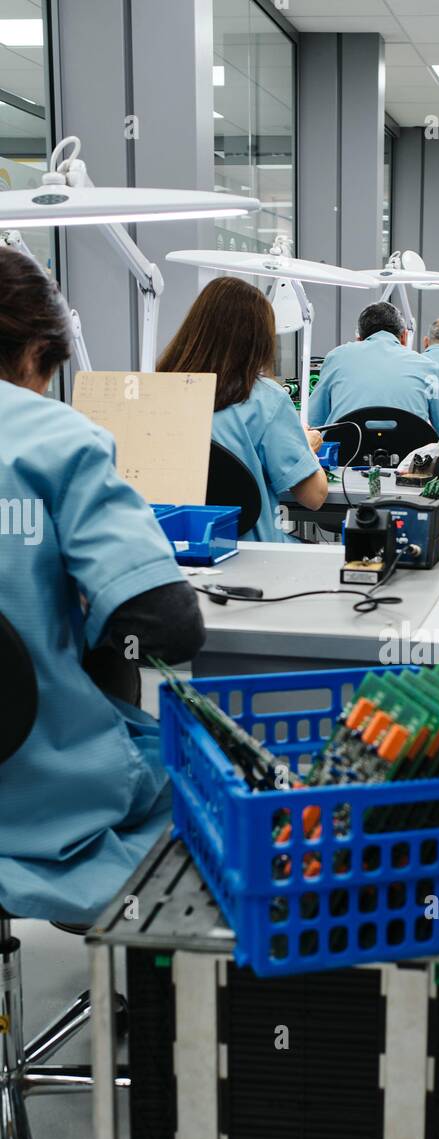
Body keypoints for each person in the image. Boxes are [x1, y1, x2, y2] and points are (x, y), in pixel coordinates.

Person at [0, 246, 205, 924]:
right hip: (38, 806)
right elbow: (170, 627)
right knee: (208, 784)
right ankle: (156, 1013)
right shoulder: (53, 437)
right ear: (35, 351)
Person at [157, 277, 328, 541]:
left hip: (175, 551)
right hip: (252, 555)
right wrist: (307, 449)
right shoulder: (266, 399)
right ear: (259, 341)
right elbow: (314, 497)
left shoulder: (156, 394)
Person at [308, 301, 439, 441]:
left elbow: (311, 424)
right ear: (404, 337)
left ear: (359, 339)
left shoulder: (336, 358)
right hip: (411, 472)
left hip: (342, 466)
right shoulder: (427, 366)